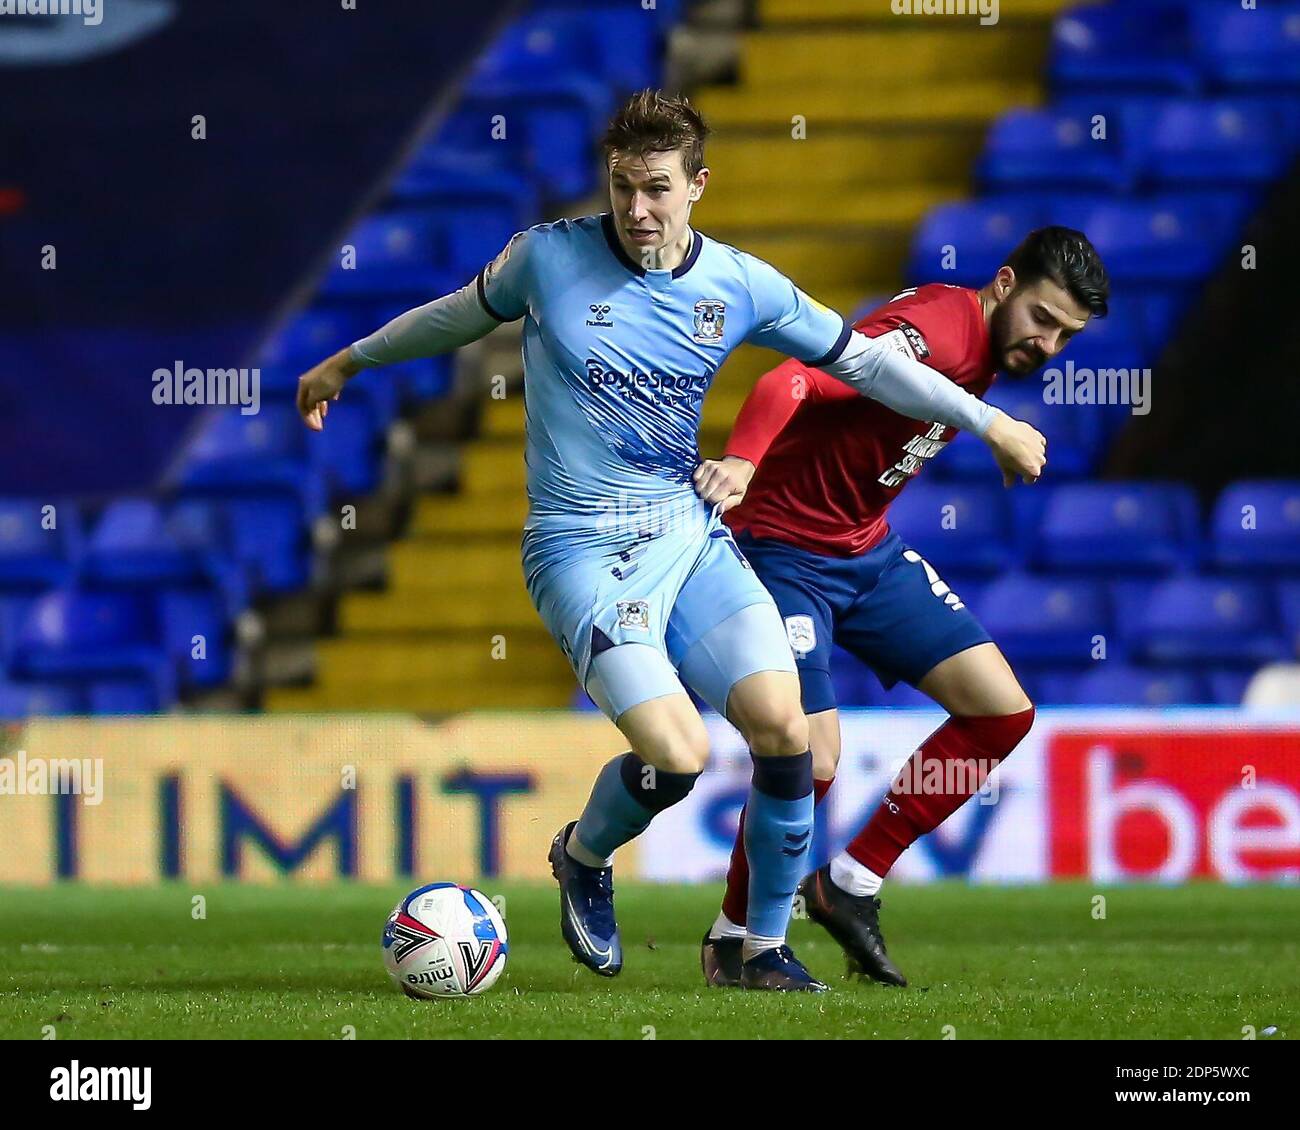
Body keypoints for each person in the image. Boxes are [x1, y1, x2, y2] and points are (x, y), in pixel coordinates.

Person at [296, 89, 1047, 992]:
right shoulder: (548, 258)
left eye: (656, 189)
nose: (638, 211)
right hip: (578, 550)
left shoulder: (740, 284)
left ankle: (753, 951)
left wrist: (989, 424)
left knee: (790, 737)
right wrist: (351, 359)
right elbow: (459, 312)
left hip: (688, 536)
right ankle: (583, 852)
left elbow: (864, 363)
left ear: (698, 185)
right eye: (622, 188)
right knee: (679, 755)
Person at [693, 228, 1109, 987]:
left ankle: (849, 885)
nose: (1048, 344)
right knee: (809, 762)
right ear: (1005, 282)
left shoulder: (976, 346)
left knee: (1000, 714)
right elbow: (792, 380)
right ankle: (733, 939)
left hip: (865, 552)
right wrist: (745, 462)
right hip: (783, 554)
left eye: (1066, 335)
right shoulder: (939, 336)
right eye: (1043, 319)